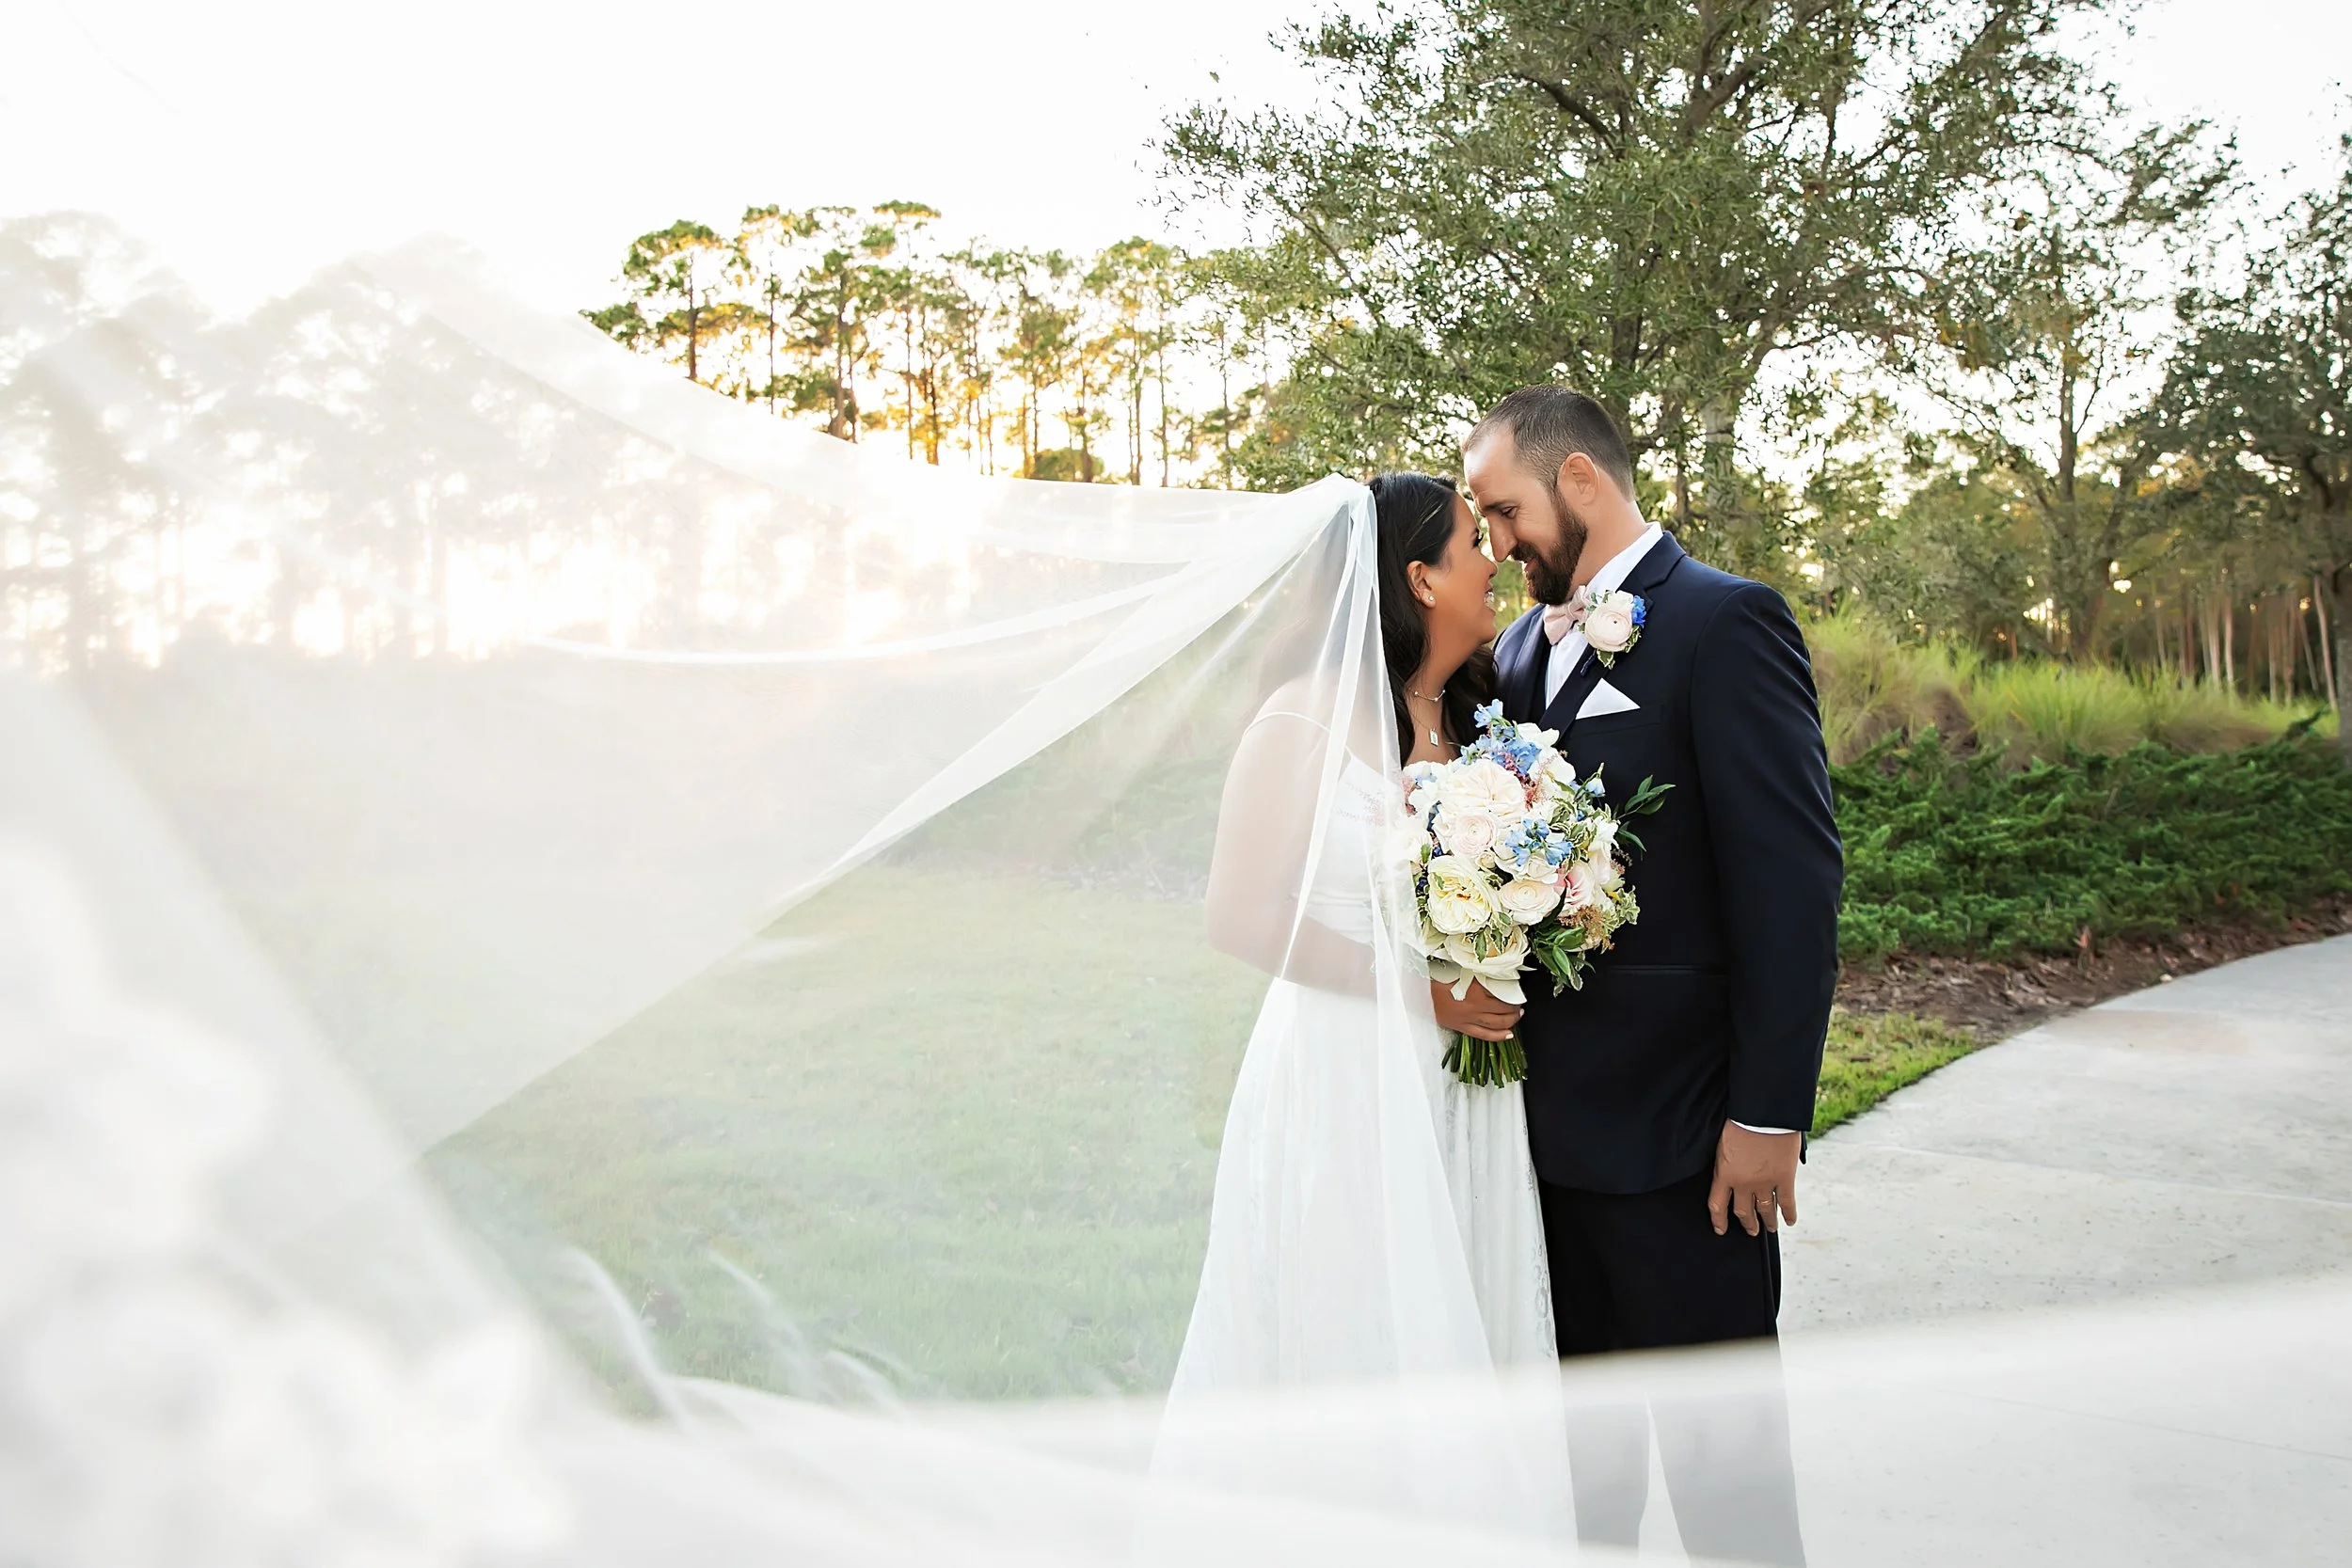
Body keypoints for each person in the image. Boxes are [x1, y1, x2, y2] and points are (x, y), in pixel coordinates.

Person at [1465, 387, 1842, 1565]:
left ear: (1580, 479)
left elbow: (1790, 882)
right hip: (1539, 1145)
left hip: (1688, 1145)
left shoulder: (1726, 622)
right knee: (1588, 1487)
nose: (1498, 542)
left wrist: (1768, 1111)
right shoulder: (1519, 649)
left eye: (1504, 510)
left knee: (1728, 1489)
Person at [1159, 474, 1565, 1529]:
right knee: (1358, 1327)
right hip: (1346, 1078)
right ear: (1419, 576)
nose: (1494, 561)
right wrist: (1421, 998)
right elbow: (1239, 916)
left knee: (1465, 1317)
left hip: (1468, 1092)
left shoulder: (1485, 720)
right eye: (1475, 543)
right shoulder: (1298, 721)